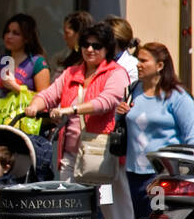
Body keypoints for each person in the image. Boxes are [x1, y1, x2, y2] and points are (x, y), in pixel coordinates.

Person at [24, 21, 128, 181]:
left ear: (107, 49)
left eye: (96, 46)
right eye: (86, 45)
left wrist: (70, 109)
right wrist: (34, 106)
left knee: (108, 204)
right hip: (70, 154)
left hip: (101, 154)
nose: (90, 49)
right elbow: (48, 95)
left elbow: (105, 102)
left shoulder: (116, 73)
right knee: (70, 201)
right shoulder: (71, 73)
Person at [116, 42, 194, 219]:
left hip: (162, 174)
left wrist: (192, 175)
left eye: (144, 60)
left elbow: (193, 139)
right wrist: (120, 113)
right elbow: (121, 124)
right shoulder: (132, 90)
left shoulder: (178, 98)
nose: (138, 64)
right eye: (138, 59)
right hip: (134, 173)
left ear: (160, 66)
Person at [98, 15, 141, 219]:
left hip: (122, 144)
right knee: (107, 202)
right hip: (104, 142)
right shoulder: (106, 64)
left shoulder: (131, 67)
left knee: (122, 203)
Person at [0, 13, 51, 95]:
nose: (9, 36)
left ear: (26, 39)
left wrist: (16, 88)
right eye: (7, 31)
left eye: (16, 33)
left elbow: (45, 99)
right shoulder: (4, 60)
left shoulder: (37, 63)